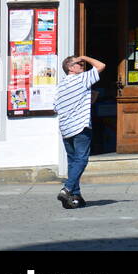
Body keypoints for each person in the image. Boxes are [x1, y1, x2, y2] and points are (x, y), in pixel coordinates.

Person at [56, 54, 106, 209]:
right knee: (82, 160)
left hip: (65, 129)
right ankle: (68, 188)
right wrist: (85, 56)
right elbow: (101, 65)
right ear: (71, 68)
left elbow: (56, 106)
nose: (83, 66)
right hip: (80, 127)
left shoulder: (61, 85)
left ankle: (75, 196)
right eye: (80, 64)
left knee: (73, 162)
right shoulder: (82, 79)